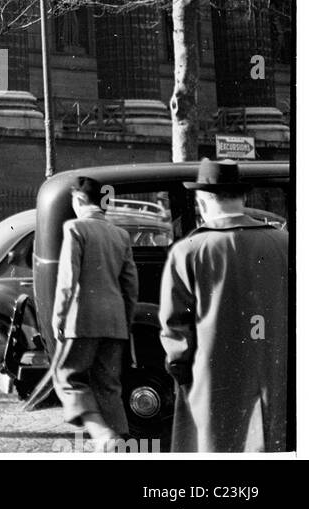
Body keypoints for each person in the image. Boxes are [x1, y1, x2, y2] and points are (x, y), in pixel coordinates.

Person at [159, 160, 289, 452]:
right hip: (276, 370)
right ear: (242, 198)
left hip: (213, 376)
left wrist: (179, 364)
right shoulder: (285, 242)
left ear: (202, 201)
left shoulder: (187, 251)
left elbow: (175, 327)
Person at [50, 175, 139, 450]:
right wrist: (124, 322)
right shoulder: (120, 234)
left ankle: (102, 436)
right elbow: (130, 285)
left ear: (78, 200)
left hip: (83, 319)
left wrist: (59, 316)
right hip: (115, 322)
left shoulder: (76, 228)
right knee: (108, 385)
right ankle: (121, 443)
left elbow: (68, 279)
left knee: (66, 376)